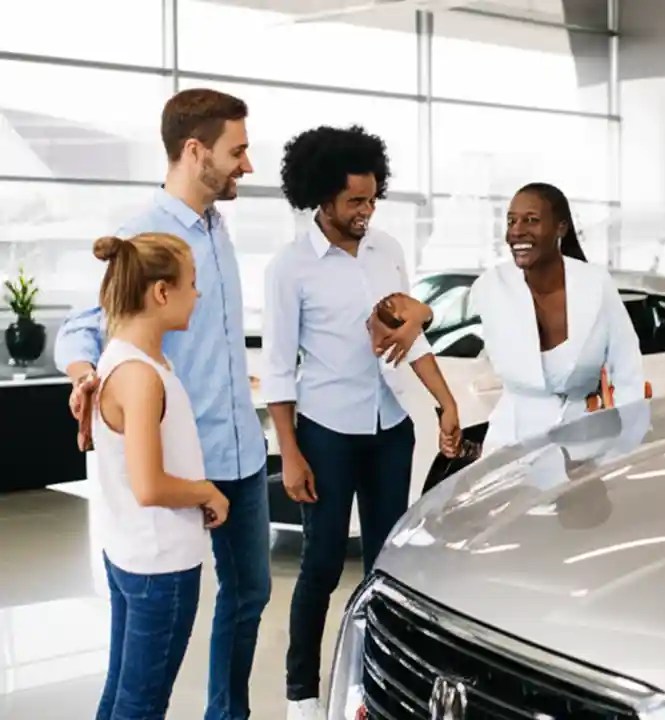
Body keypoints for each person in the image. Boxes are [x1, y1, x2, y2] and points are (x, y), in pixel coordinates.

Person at [55, 88, 270, 720]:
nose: (247, 166)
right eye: (238, 151)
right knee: (159, 623)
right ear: (195, 151)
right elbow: (80, 328)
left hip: (243, 453)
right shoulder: (141, 235)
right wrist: (86, 376)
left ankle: (227, 714)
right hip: (185, 464)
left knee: (248, 596)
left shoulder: (218, 229)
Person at [262, 124, 462, 720]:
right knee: (322, 565)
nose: (366, 211)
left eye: (373, 198)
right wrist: (291, 453)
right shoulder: (289, 267)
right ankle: (301, 693)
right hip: (327, 430)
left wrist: (444, 402)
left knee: (385, 564)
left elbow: (411, 336)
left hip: (390, 428)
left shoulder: (388, 251)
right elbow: (277, 370)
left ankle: (377, 684)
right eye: (355, 201)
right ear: (321, 198)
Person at [89, 232, 230, 720]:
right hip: (160, 565)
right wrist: (206, 491)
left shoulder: (120, 360)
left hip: (129, 554)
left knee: (120, 694)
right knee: (142, 705)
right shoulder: (141, 377)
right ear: (161, 293)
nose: (198, 294)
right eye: (192, 284)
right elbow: (149, 486)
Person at [470, 182, 646, 454]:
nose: (516, 231)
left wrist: (625, 444)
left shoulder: (596, 284)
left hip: (585, 447)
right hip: (509, 447)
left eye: (531, 220)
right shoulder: (491, 287)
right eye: (511, 221)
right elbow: (434, 322)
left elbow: (627, 373)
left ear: (560, 227)